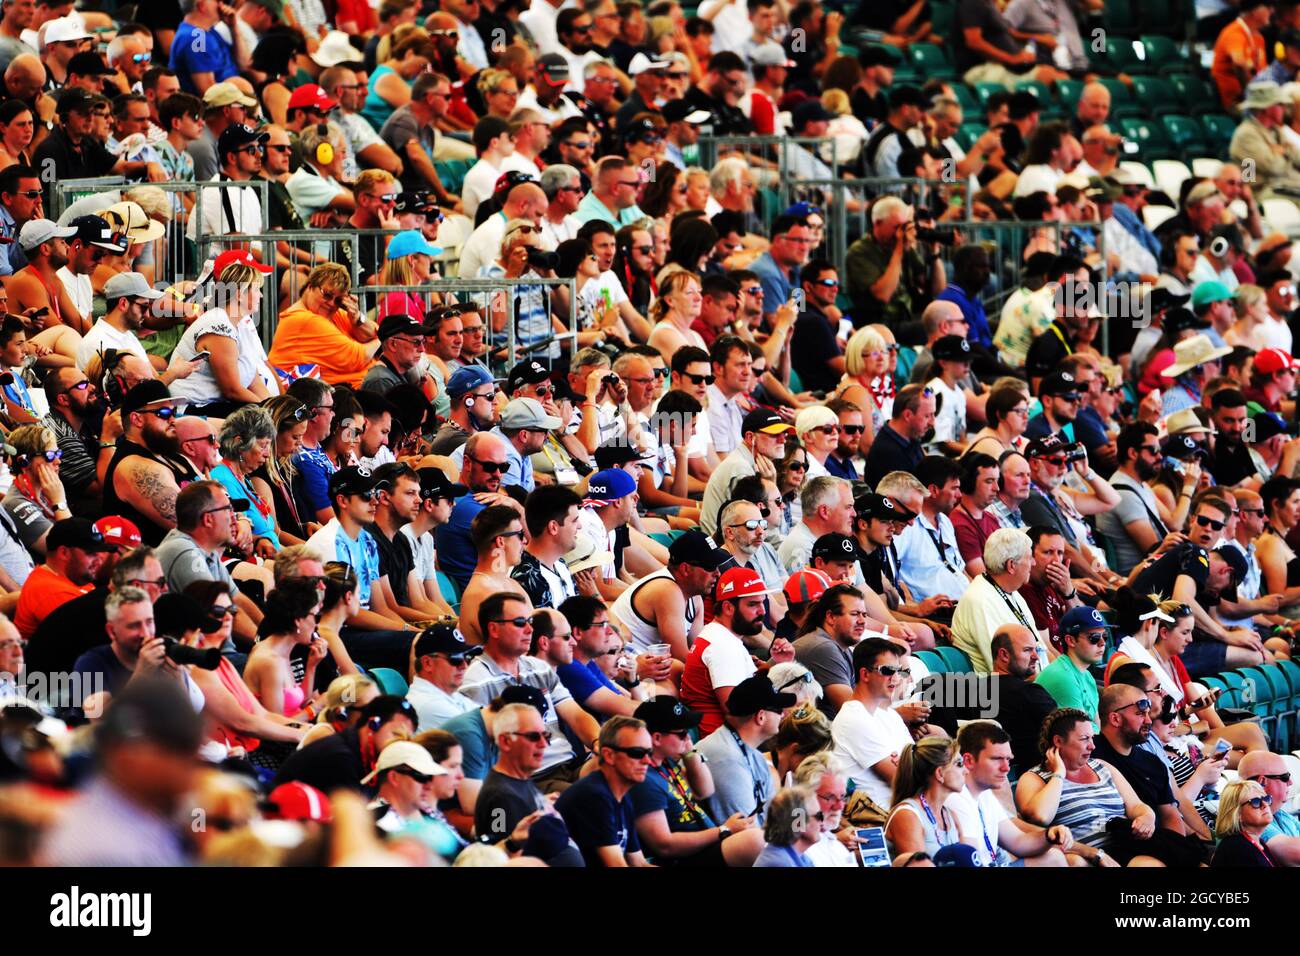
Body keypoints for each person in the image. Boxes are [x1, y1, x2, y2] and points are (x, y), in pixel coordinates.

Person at [39, 679, 205, 866]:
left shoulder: (168, 806)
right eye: (180, 751)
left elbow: (196, 820)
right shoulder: (100, 851)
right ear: (127, 753)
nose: (193, 766)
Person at [461, 591, 601, 791]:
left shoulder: (538, 667)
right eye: (520, 622)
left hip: (570, 764)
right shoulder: (475, 681)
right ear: (493, 629)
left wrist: (598, 743)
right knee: (593, 798)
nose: (529, 630)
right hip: (531, 777)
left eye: (529, 622)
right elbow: (480, 746)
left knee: (627, 771)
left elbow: (576, 715)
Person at [681, 566, 792, 734]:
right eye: (753, 604)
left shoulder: (722, 637)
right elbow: (738, 712)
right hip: (729, 744)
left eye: (763, 602)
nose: (762, 611)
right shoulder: (722, 646)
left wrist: (774, 667)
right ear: (728, 608)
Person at [472, 700, 585, 865]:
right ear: (505, 741)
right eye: (533, 737)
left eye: (546, 736)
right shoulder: (499, 796)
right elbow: (498, 854)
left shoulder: (520, 779)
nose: (543, 744)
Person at [948, 722, 1074, 867]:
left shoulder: (984, 793)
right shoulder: (957, 798)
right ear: (968, 760)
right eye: (996, 759)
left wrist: (1050, 835)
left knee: (1054, 857)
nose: (1006, 768)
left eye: (1008, 759)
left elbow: (1018, 841)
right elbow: (971, 863)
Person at [554, 715, 653, 866]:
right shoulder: (593, 795)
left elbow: (639, 863)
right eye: (637, 753)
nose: (647, 761)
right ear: (609, 755)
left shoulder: (621, 795)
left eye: (649, 753)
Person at [829, 637, 912, 814]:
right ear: (865, 674)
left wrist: (908, 764)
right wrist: (907, 765)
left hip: (904, 809)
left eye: (899, 671)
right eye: (888, 670)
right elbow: (903, 780)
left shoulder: (888, 714)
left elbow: (916, 762)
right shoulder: (854, 718)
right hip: (881, 818)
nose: (896, 678)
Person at [694, 673, 789, 826]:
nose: (783, 714)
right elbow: (745, 832)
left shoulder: (753, 755)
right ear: (761, 716)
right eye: (778, 709)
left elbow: (775, 817)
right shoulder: (727, 759)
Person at [273, 695, 418, 793]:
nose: (401, 744)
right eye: (396, 734)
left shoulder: (361, 751)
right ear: (373, 724)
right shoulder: (340, 757)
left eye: (406, 739)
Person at [884, 737, 971, 860]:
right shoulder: (907, 815)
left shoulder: (950, 815)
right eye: (959, 764)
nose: (966, 771)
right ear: (940, 773)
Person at [1034, 605, 1111, 723]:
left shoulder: (1087, 676)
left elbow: (1096, 726)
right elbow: (1079, 736)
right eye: (1094, 637)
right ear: (1070, 640)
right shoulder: (1063, 677)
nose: (1102, 643)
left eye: (1104, 636)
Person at [1212, 779, 1279, 867]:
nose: (1265, 805)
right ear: (1237, 814)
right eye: (1256, 802)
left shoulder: (1257, 843)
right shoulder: (1236, 848)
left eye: (1266, 799)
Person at [752, 785, 820, 867]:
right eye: (819, 816)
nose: (822, 822)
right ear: (799, 823)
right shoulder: (778, 863)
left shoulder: (803, 859)